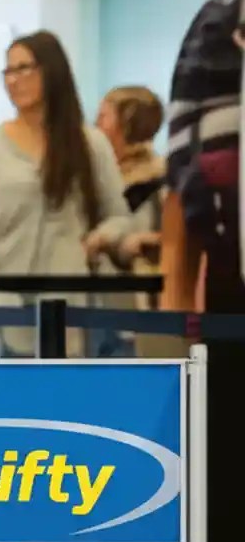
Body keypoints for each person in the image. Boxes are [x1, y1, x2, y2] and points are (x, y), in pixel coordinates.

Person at [0, 30, 133, 358]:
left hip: (72, 308)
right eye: (8, 71)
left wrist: (100, 238)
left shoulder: (89, 143)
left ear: (51, 70)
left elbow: (119, 215)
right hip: (3, 307)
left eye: (24, 68)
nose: (14, 80)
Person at [162, 0, 245, 542]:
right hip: (224, 307)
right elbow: (181, 189)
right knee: (221, 473)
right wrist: (170, 321)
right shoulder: (214, 30)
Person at [94, 85, 169, 357]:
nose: (95, 125)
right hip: (94, 313)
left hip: (140, 316)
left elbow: (173, 242)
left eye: (103, 117)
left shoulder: (163, 181)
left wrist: (134, 245)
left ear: (127, 125)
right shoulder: (96, 181)